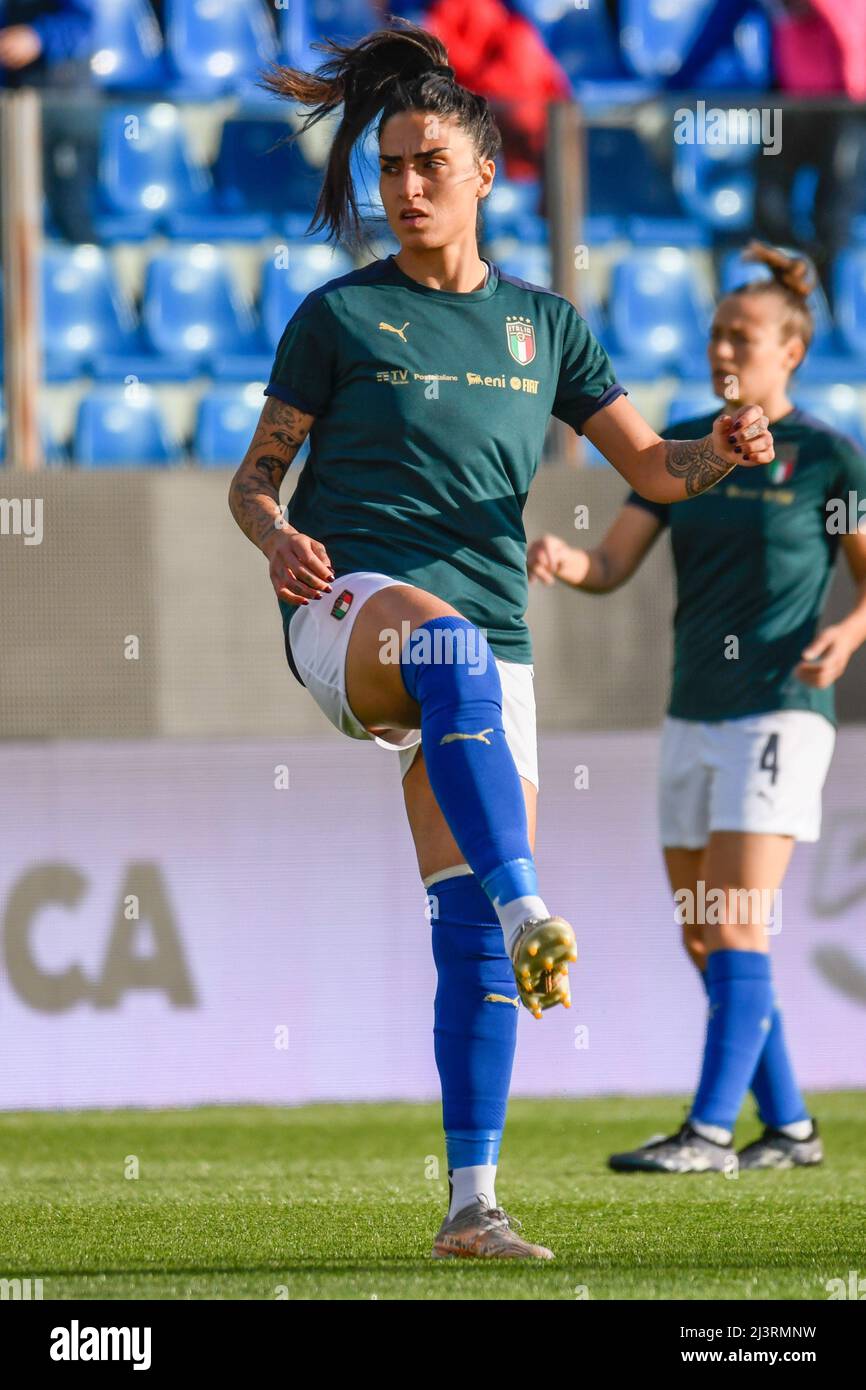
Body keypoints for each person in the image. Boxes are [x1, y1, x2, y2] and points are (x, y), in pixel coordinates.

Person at [227, 21, 773, 1257]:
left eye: (427, 163)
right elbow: (255, 479)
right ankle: (538, 909)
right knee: (449, 662)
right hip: (346, 608)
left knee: (463, 918)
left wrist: (722, 450)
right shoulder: (337, 316)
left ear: (484, 172)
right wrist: (271, 536)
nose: (404, 186)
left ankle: (471, 1204)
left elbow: (653, 467)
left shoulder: (546, 327)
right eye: (387, 167)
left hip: (490, 643)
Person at [528, 242, 866, 1174]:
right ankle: (790, 1126)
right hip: (694, 709)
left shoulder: (826, 458)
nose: (725, 351)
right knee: (700, 930)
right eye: (717, 335)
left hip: (779, 708)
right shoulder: (687, 446)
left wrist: (847, 633)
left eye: (743, 337)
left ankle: (709, 1132)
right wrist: (570, 562)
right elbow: (615, 565)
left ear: (790, 352)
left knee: (735, 921)